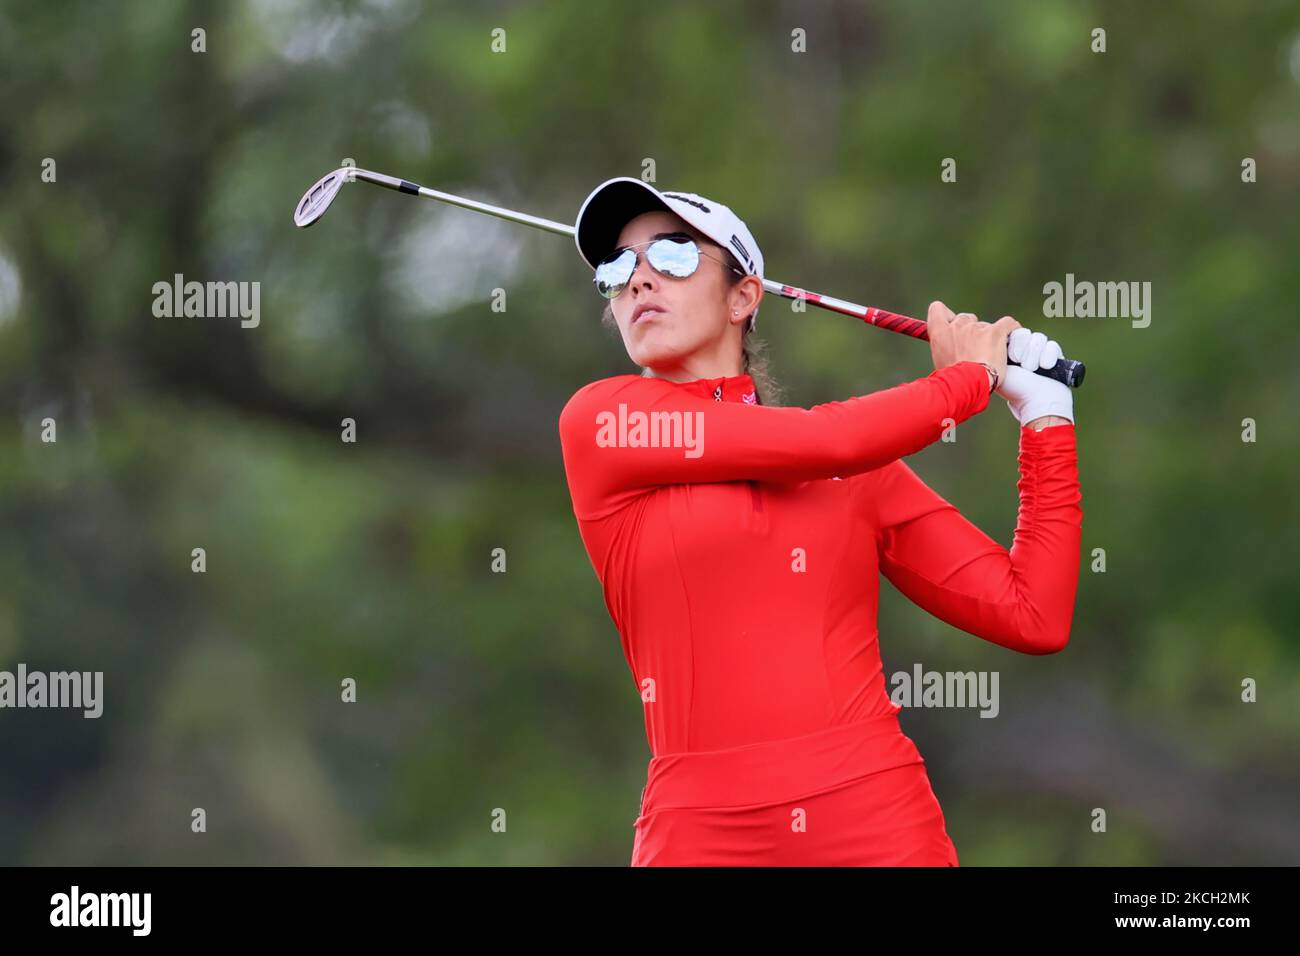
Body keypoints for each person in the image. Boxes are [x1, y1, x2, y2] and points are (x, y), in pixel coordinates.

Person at [557, 177, 1082, 866]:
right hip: (696, 833)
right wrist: (967, 381)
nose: (639, 281)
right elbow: (823, 441)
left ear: (745, 295)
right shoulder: (601, 423)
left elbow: (1031, 614)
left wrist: (1046, 419)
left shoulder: (860, 474)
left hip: (873, 820)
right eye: (619, 268)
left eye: (675, 255)